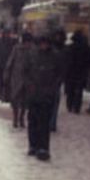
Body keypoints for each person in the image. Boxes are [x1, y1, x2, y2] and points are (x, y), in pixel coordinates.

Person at [24, 33, 63, 161]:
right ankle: (33, 145)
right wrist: (29, 85)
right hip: (34, 93)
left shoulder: (55, 56)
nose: (43, 46)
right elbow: (25, 71)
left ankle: (43, 148)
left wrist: (53, 88)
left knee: (44, 122)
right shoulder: (32, 55)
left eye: (45, 43)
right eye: (42, 43)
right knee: (33, 121)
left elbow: (60, 74)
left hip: (47, 95)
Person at [4, 32, 32, 129]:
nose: (28, 44)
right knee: (15, 99)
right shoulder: (16, 49)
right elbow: (10, 61)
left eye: (29, 42)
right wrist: (7, 74)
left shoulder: (32, 50)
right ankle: (15, 117)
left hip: (27, 79)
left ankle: (21, 118)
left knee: (25, 101)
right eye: (27, 42)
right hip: (16, 78)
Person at [63, 31, 90, 113]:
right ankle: (76, 107)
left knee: (70, 90)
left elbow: (65, 60)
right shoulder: (86, 48)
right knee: (79, 90)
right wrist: (87, 68)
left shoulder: (69, 48)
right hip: (81, 72)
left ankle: (70, 105)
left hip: (70, 72)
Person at [49, 28, 67, 132]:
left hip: (57, 79)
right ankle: (50, 122)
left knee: (55, 101)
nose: (58, 38)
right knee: (50, 101)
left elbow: (65, 65)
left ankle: (52, 123)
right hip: (49, 79)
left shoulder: (63, 50)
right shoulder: (52, 49)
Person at [0, 29, 16, 102]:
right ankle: (0, 94)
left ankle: (7, 96)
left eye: (8, 34)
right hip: (0, 65)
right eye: (5, 34)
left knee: (8, 81)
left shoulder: (12, 43)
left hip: (8, 65)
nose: (7, 35)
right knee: (0, 80)